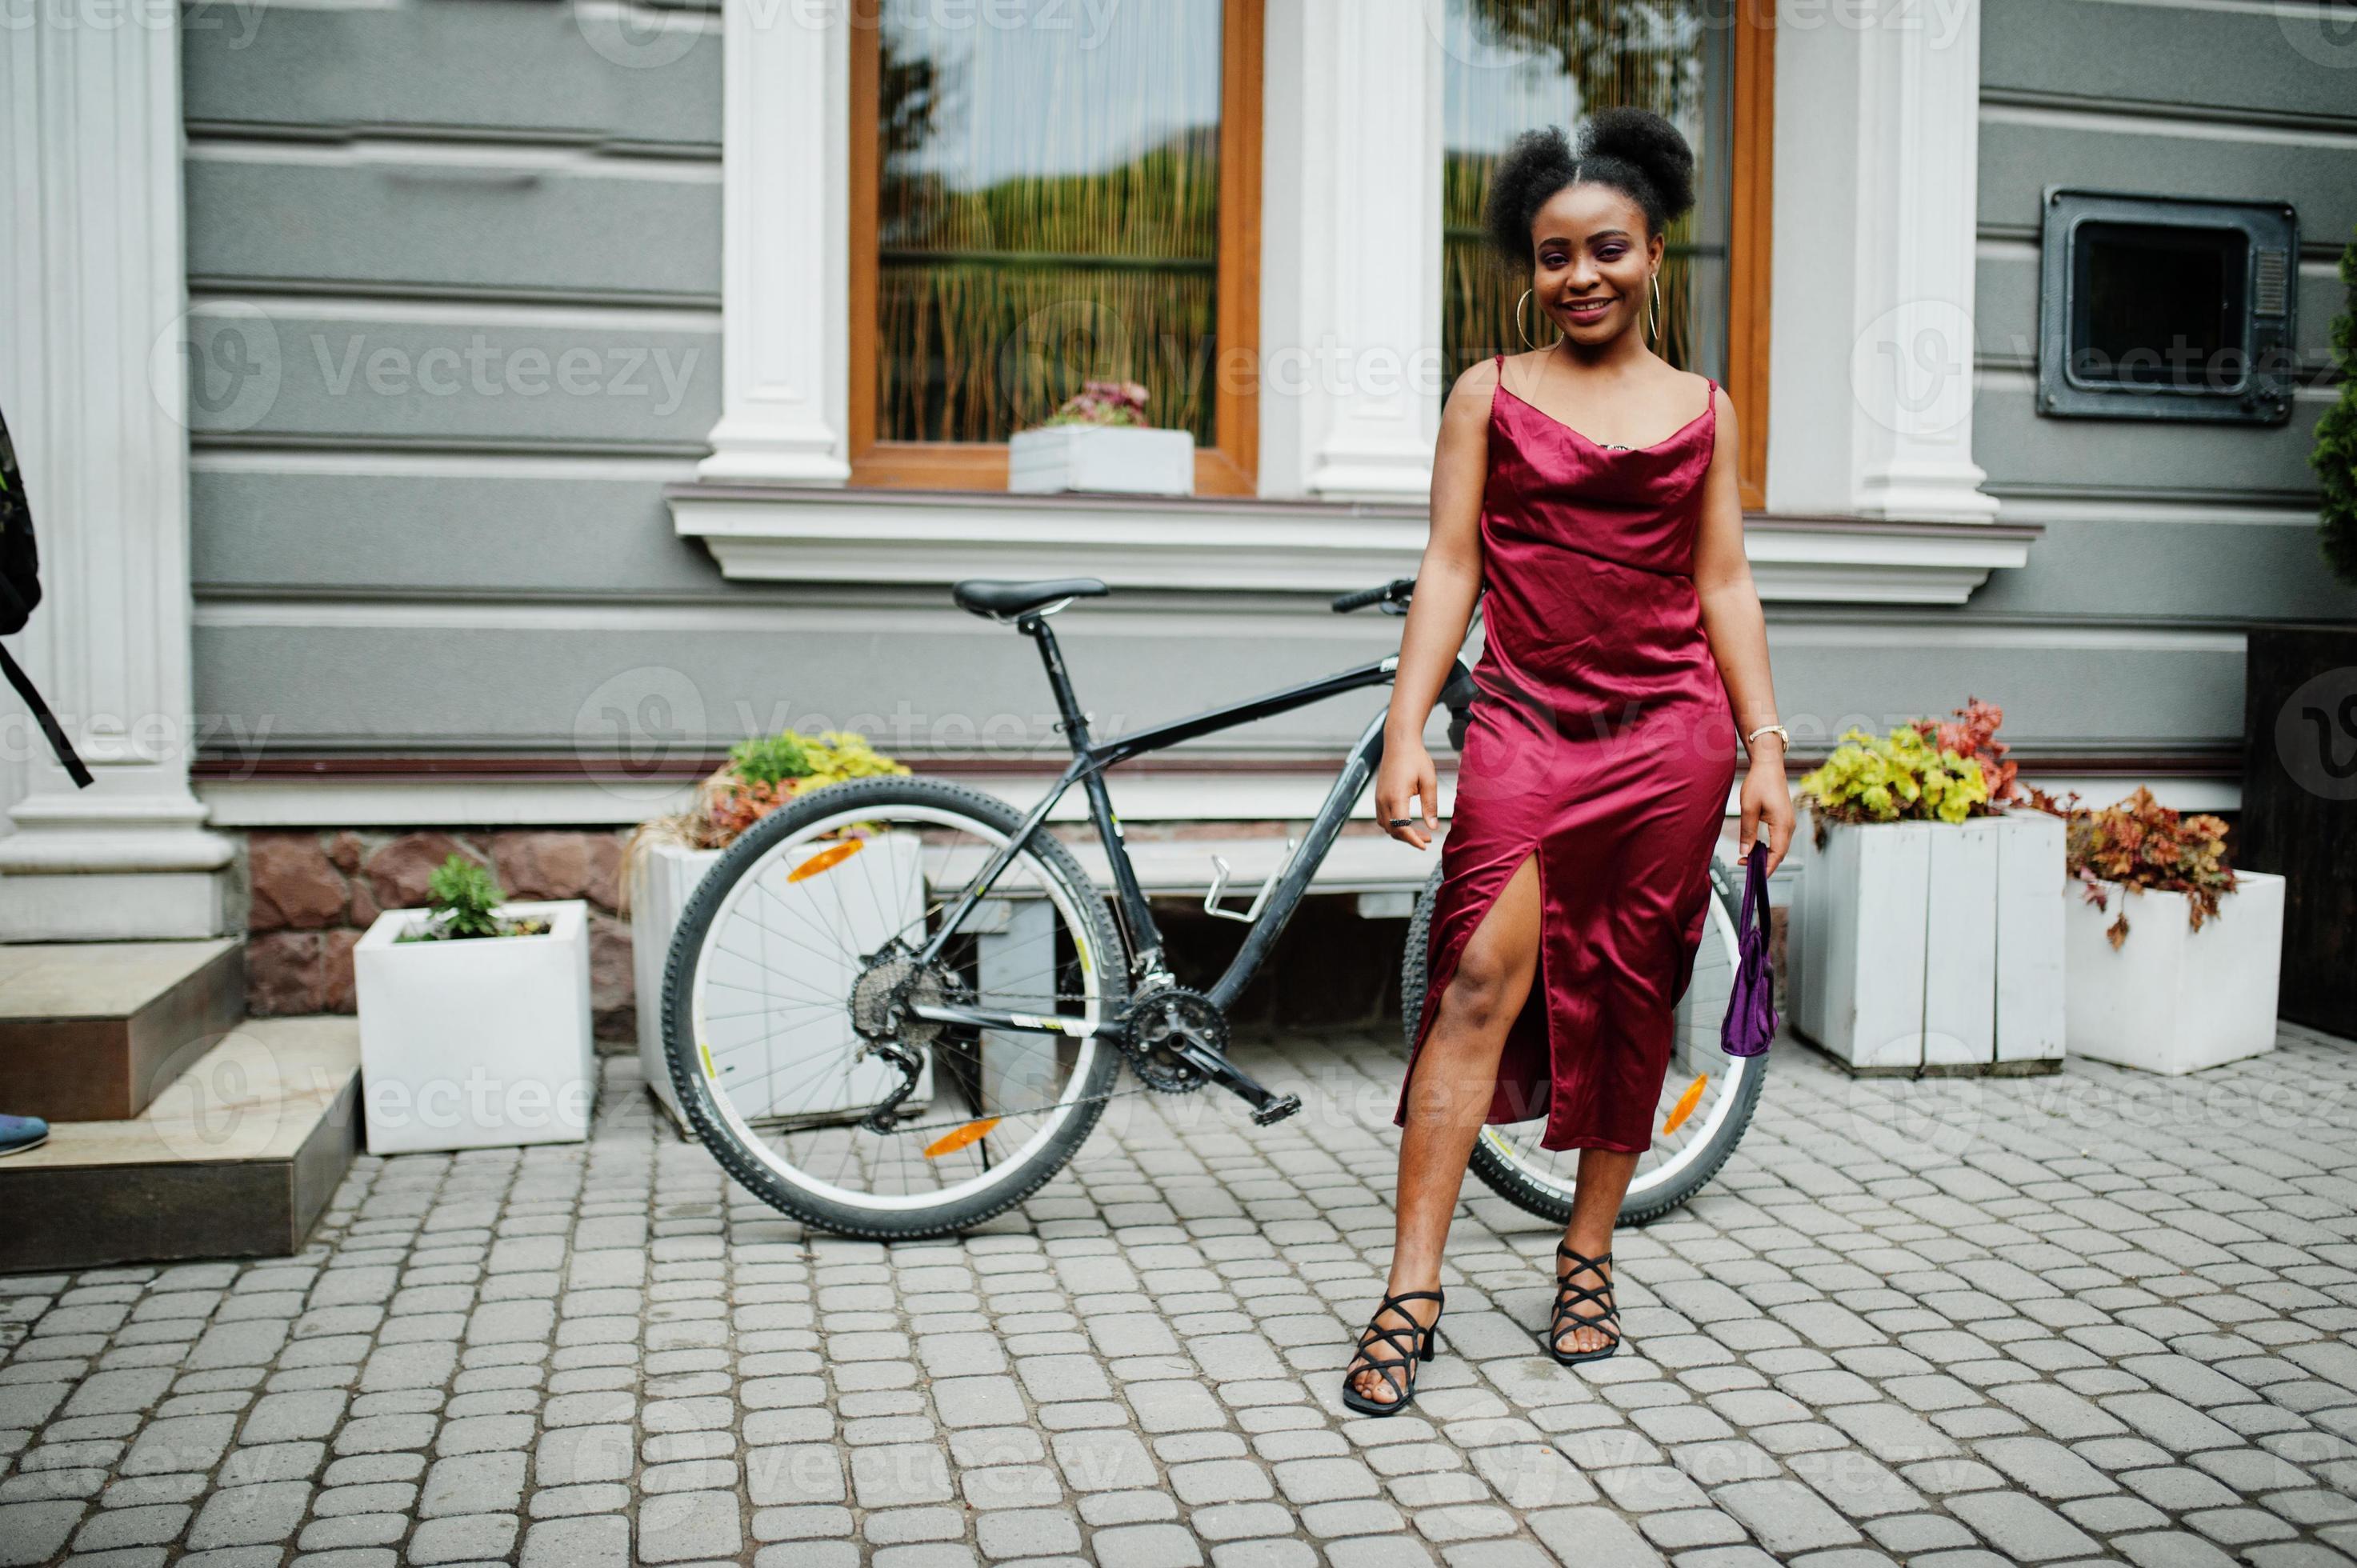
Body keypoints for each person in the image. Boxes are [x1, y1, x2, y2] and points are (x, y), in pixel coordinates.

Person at [1343, 108, 1795, 1416]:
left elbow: (1723, 583)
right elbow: (1450, 565)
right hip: (1530, 725)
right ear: (1526, 268)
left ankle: (1586, 1257)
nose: (1579, 275)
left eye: (1606, 248)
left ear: (1655, 250)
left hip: (1670, 736)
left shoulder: (1701, 410)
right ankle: (1411, 1284)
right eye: (1552, 256)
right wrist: (1405, 730)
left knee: (1629, 991)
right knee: (1478, 973)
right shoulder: (1488, 392)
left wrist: (1764, 747)